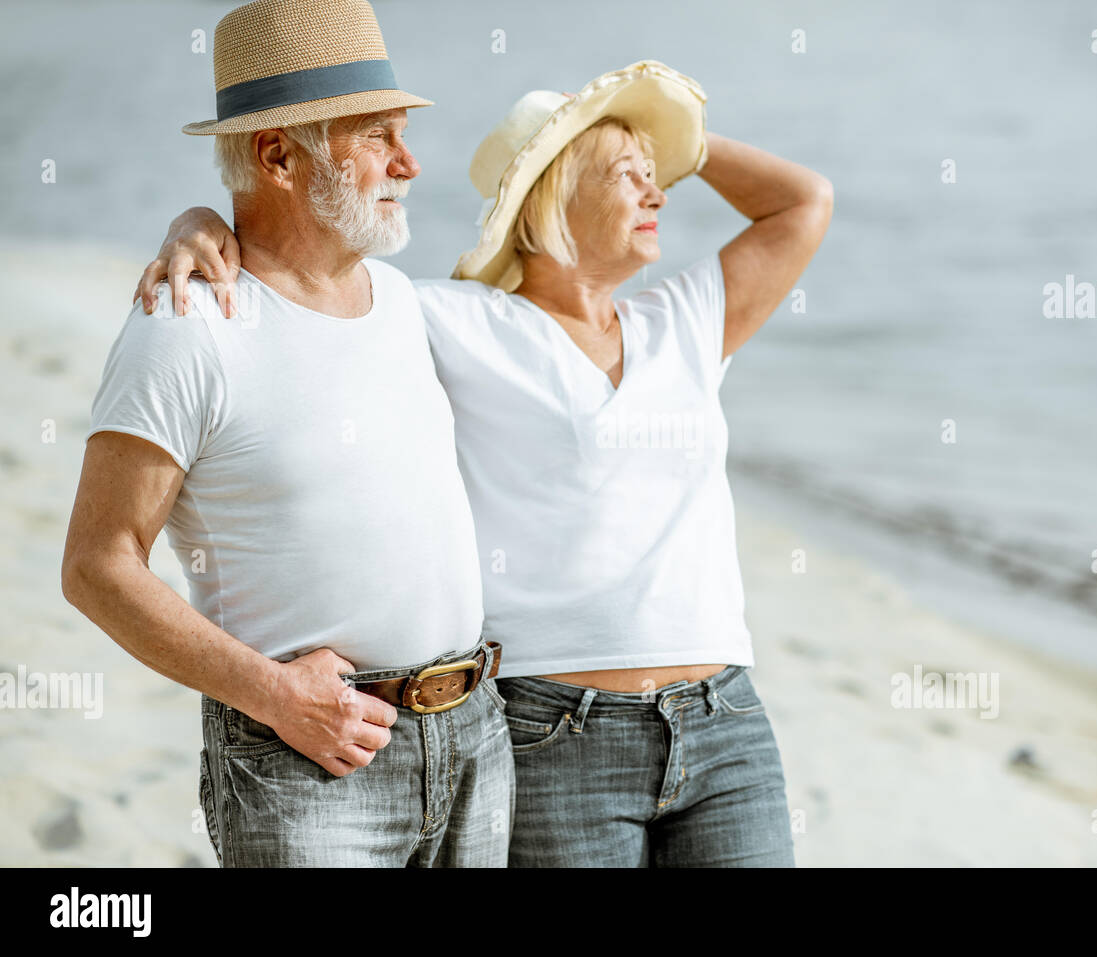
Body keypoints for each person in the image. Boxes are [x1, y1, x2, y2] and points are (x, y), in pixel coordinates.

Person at [136, 60, 833, 866]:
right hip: (557, 728)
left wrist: (680, 140)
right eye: (627, 174)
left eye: (658, 175)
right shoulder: (452, 320)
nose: (658, 194)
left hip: (723, 719)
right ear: (552, 194)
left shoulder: (688, 321)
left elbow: (803, 202)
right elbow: (305, 280)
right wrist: (198, 223)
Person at [63, 0, 512, 868]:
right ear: (277, 155)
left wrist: (194, 217)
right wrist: (274, 694)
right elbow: (96, 563)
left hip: (474, 737)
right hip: (308, 758)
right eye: (377, 136)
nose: (410, 162)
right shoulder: (184, 328)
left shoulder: (404, 302)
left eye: (403, 133)